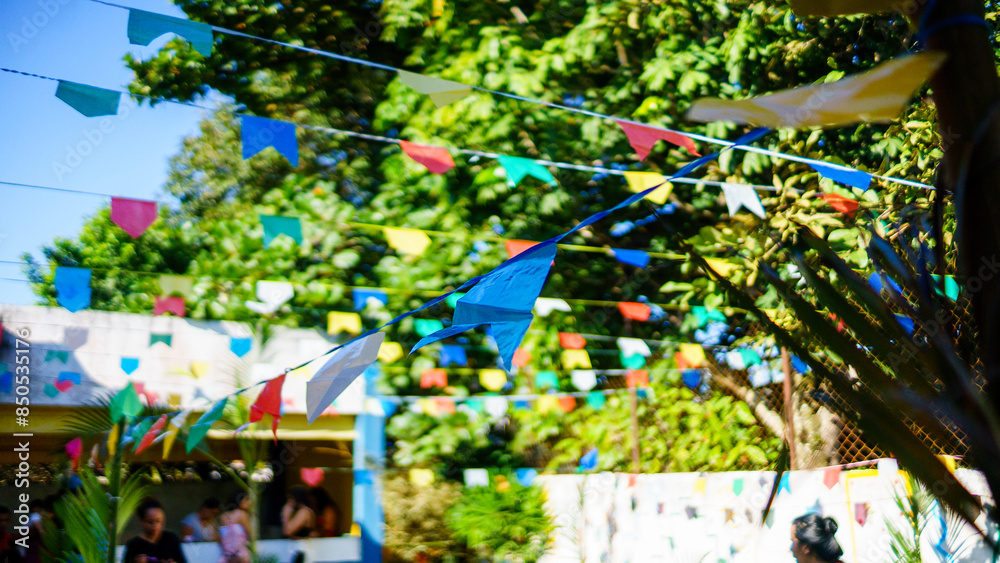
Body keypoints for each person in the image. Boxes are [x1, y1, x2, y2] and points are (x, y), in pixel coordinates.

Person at [122, 498, 187, 563]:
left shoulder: (171, 539)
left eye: (158, 521)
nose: (155, 526)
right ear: (142, 522)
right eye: (150, 522)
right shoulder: (134, 545)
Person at [217, 492, 251, 563]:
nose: (249, 502)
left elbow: (220, 535)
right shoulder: (242, 514)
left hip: (227, 553)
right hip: (240, 553)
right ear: (239, 502)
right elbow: (248, 533)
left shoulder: (222, 516)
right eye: (246, 500)